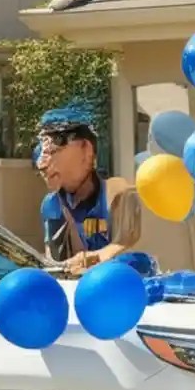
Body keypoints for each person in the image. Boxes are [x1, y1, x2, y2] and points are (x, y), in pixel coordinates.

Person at [34, 106, 141, 274]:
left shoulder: (118, 195)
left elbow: (126, 249)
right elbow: (55, 263)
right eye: (43, 145)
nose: (42, 163)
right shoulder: (52, 205)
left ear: (87, 150)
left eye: (57, 143)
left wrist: (86, 260)